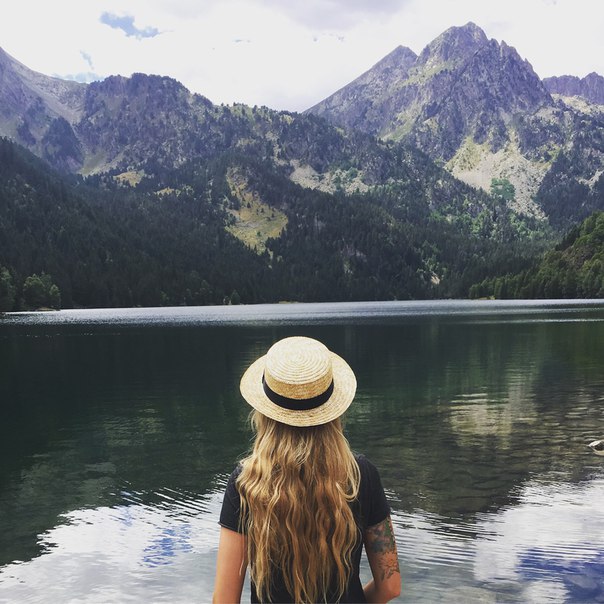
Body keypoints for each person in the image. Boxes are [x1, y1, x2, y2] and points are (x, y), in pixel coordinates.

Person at [213, 336, 401, 603]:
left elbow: (224, 599)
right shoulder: (362, 475)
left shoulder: (245, 483)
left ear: (265, 413)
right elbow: (390, 586)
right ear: (333, 410)